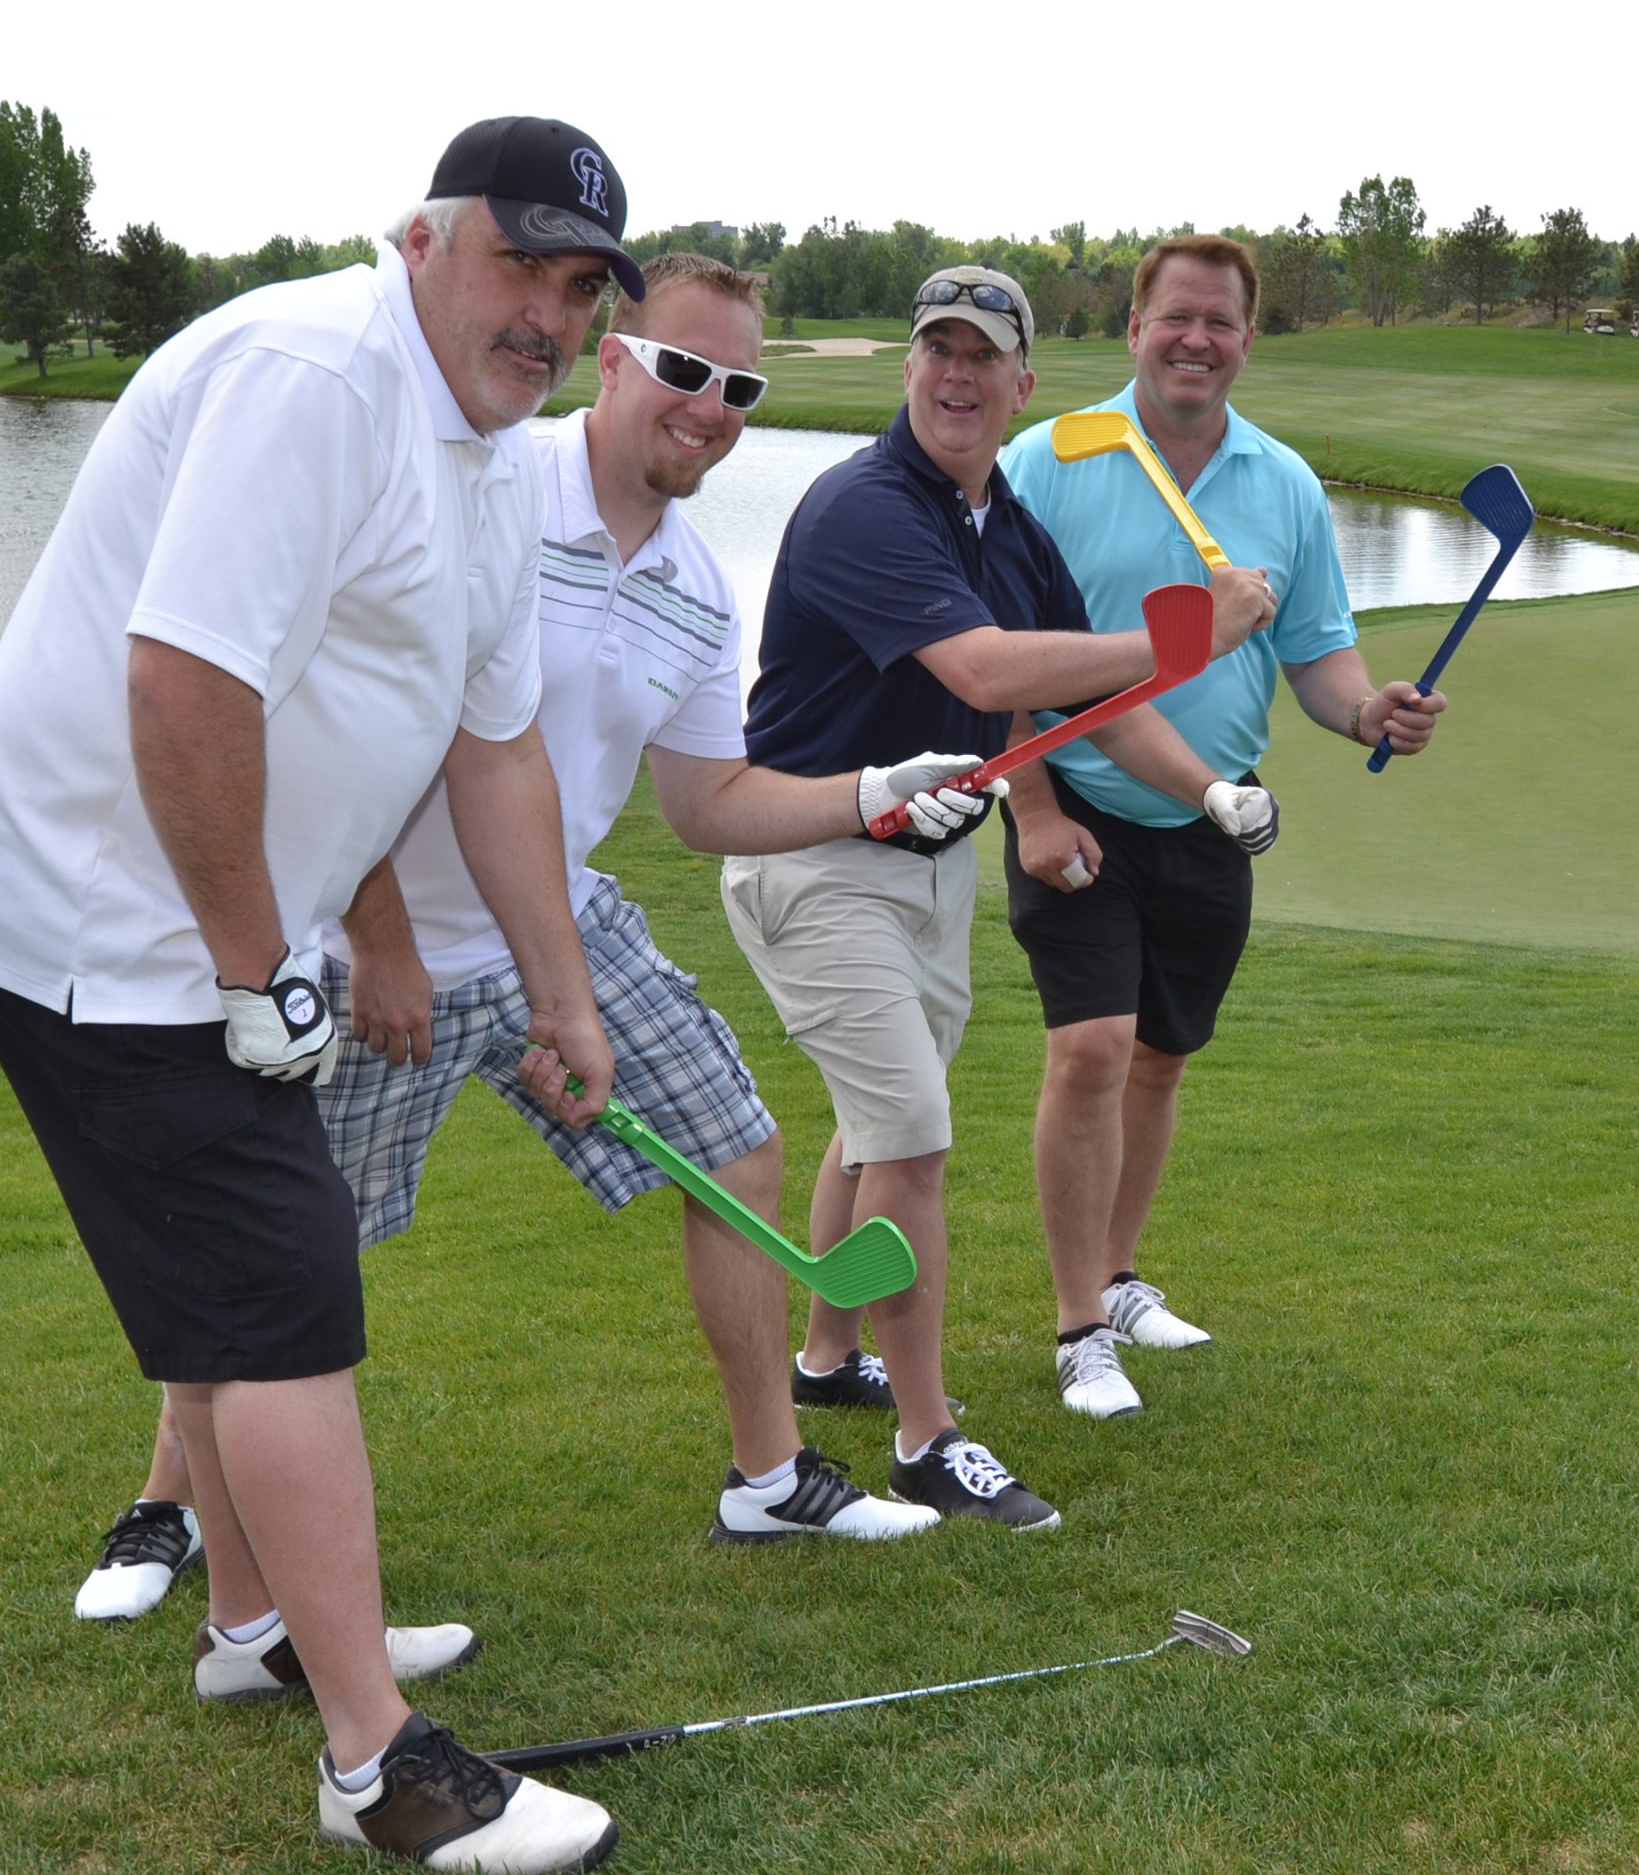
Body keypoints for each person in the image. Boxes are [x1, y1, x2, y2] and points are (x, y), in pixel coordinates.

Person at [71, 252, 990, 1604]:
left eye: (739, 385)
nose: (710, 407)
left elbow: (710, 800)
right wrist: (379, 933)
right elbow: (351, 714)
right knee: (273, 1250)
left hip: (554, 928)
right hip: (368, 937)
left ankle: (770, 1477)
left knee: (733, 1148)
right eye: (684, 369)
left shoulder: (695, 579)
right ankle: (167, 1509)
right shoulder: (495, 488)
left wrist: (872, 797)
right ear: (614, 359)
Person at [0, 114, 650, 1875]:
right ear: (423, 235)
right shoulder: (315, 371)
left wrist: (559, 992)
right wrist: (247, 964)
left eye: (583, 283)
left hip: (210, 933)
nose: (551, 311)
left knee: (238, 1300)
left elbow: (494, 745)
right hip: (105, 926)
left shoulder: (489, 452)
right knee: (284, 1299)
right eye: (522, 261)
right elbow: (185, 679)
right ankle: (376, 1763)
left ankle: (246, 1625)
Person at [722, 266, 1276, 1530]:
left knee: (877, 1123)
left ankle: (825, 1360)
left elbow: (1078, 707)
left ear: (1024, 383)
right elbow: (978, 668)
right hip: (813, 853)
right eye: (936, 352)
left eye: (983, 356)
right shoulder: (867, 505)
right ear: (910, 367)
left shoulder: (1004, 524)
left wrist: (1206, 795)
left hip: (928, 865)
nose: (956, 376)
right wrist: (1187, 638)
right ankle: (928, 1439)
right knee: (911, 1139)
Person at [997, 235, 1447, 1420]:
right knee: (1089, 1048)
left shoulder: (1284, 484)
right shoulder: (1045, 459)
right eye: (1174, 317)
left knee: (1157, 1059)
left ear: (1247, 341)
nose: (1195, 339)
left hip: (1215, 815)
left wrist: (1367, 712)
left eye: (1220, 323)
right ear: (1135, 325)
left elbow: (1316, 657)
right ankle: (1077, 1327)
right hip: (1075, 799)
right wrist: (1032, 804)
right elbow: (991, 658)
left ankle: (1118, 1269)